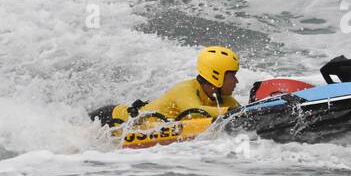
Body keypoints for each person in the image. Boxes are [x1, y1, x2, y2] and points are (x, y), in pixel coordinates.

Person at [89, 46, 242, 126]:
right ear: (216, 76)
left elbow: (243, 114)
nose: (236, 81)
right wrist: (231, 111)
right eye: (232, 76)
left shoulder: (223, 101)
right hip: (109, 119)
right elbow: (194, 112)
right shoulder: (185, 89)